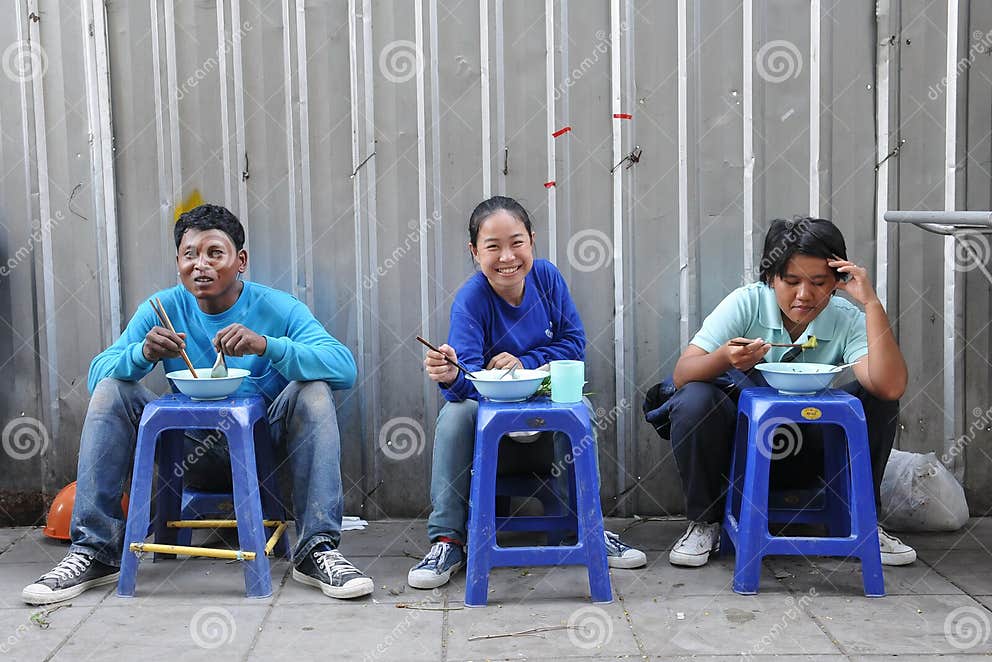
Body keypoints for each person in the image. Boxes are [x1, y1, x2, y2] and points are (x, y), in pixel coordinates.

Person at [22, 204, 373, 604]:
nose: (200, 265)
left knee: (313, 391)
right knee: (110, 390)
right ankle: (95, 551)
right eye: (189, 255)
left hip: (261, 454)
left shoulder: (278, 308)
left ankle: (317, 551)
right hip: (184, 455)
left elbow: (344, 368)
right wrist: (141, 354)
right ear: (177, 263)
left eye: (214, 253)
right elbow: (96, 375)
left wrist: (269, 346)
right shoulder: (162, 308)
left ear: (241, 261)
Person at [645, 217, 915, 568]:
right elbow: (683, 373)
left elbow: (889, 385)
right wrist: (724, 358)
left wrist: (872, 305)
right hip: (743, 452)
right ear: (770, 278)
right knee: (695, 398)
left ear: (838, 280)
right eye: (791, 281)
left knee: (877, 399)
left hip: (812, 447)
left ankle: (863, 521)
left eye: (819, 282)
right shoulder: (747, 304)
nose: (804, 295)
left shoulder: (846, 317)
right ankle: (705, 523)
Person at [408, 195, 646, 590]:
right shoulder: (471, 300)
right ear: (474, 252)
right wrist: (450, 375)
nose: (507, 257)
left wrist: (525, 362)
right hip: (491, 427)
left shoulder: (548, 279)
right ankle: (447, 539)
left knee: (580, 406)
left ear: (532, 241)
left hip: (546, 419)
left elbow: (574, 345)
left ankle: (586, 527)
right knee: (454, 415)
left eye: (517, 242)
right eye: (492, 247)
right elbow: (466, 381)